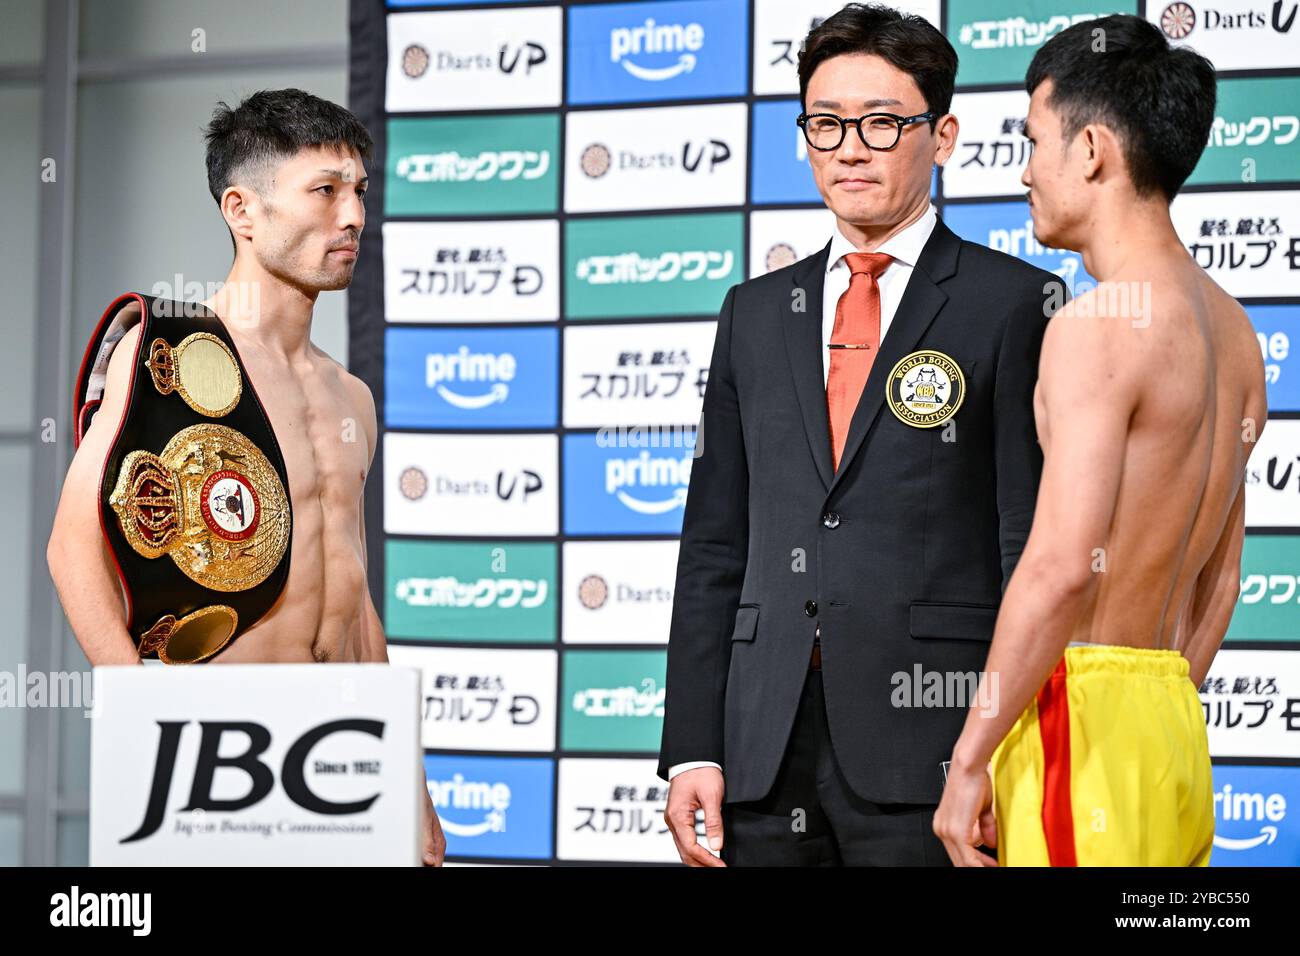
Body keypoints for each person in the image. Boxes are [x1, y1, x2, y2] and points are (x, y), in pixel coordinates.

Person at [658, 4, 1066, 866]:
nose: (851, 147)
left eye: (883, 122)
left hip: (934, 750)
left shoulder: (1012, 304)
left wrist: (991, 747)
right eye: (827, 123)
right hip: (759, 751)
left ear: (943, 135)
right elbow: (713, 543)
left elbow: (1024, 544)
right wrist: (694, 743)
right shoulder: (754, 311)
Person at [46, 88, 445, 867]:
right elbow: (71, 550)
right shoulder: (165, 353)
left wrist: (409, 778)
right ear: (243, 210)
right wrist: (148, 721)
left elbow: (351, 593)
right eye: (324, 191)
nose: (353, 216)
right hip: (212, 769)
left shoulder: (350, 394)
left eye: (360, 191)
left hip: (336, 762)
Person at [932, 14, 1268, 867]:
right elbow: (1223, 578)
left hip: (1074, 717)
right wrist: (1154, 709)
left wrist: (971, 758)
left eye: (1034, 139)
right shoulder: (1235, 335)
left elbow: (1056, 567)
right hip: (1170, 724)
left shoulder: (1094, 327)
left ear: (1090, 150)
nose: (1024, 170)